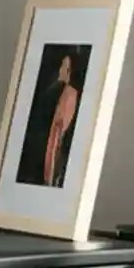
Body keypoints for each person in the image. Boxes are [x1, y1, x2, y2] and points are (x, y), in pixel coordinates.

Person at [43, 54, 80, 187]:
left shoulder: (70, 93)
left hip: (59, 140)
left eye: (65, 67)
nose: (61, 70)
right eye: (62, 66)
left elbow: (63, 123)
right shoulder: (54, 90)